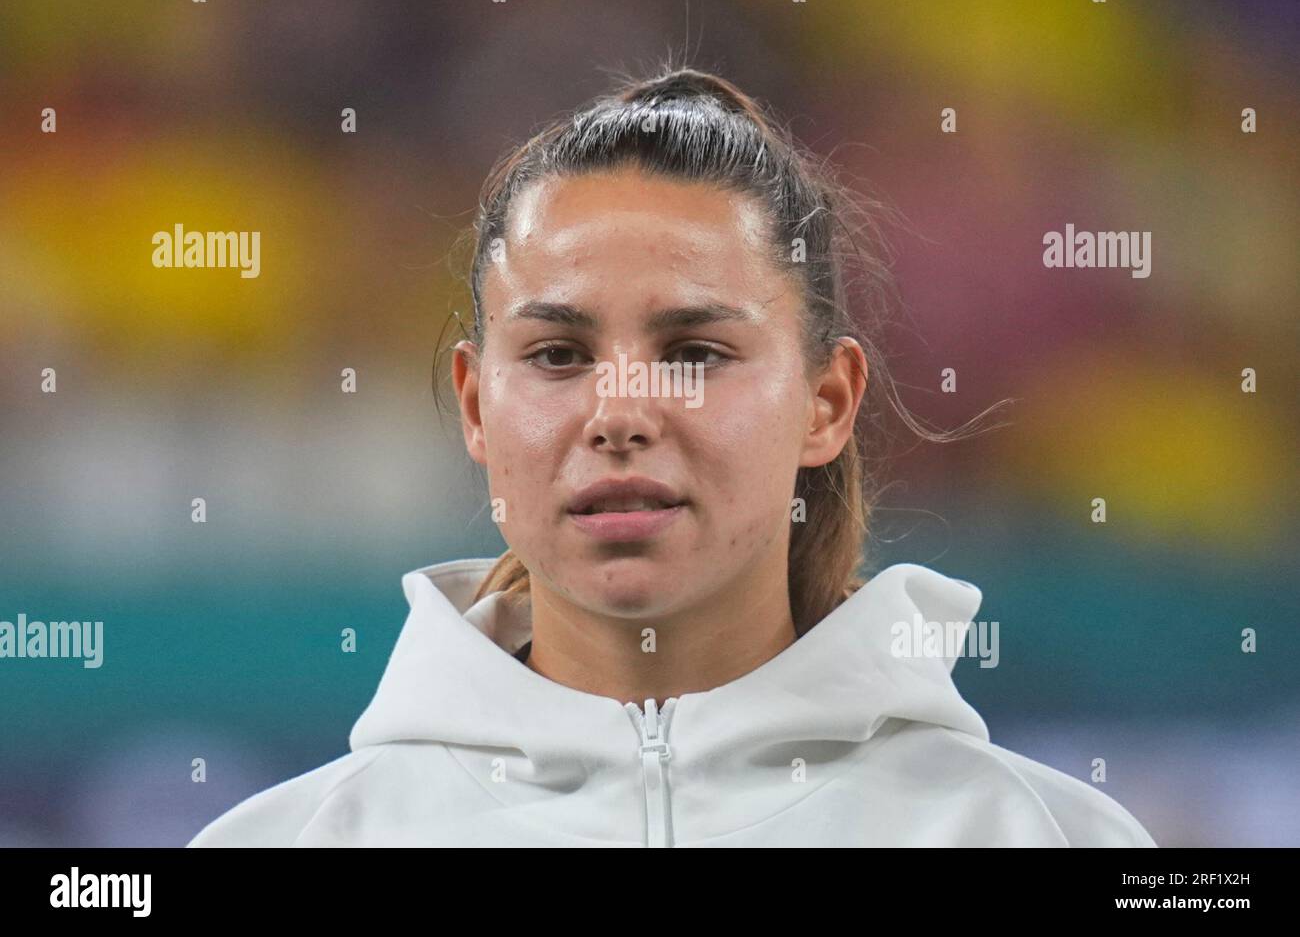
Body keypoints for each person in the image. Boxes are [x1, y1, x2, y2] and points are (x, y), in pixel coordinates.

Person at [187, 66, 1156, 847]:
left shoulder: (1045, 836)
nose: (620, 414)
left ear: (827, 404)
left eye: (695, 352)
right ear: (477, 407)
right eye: (558, 355)